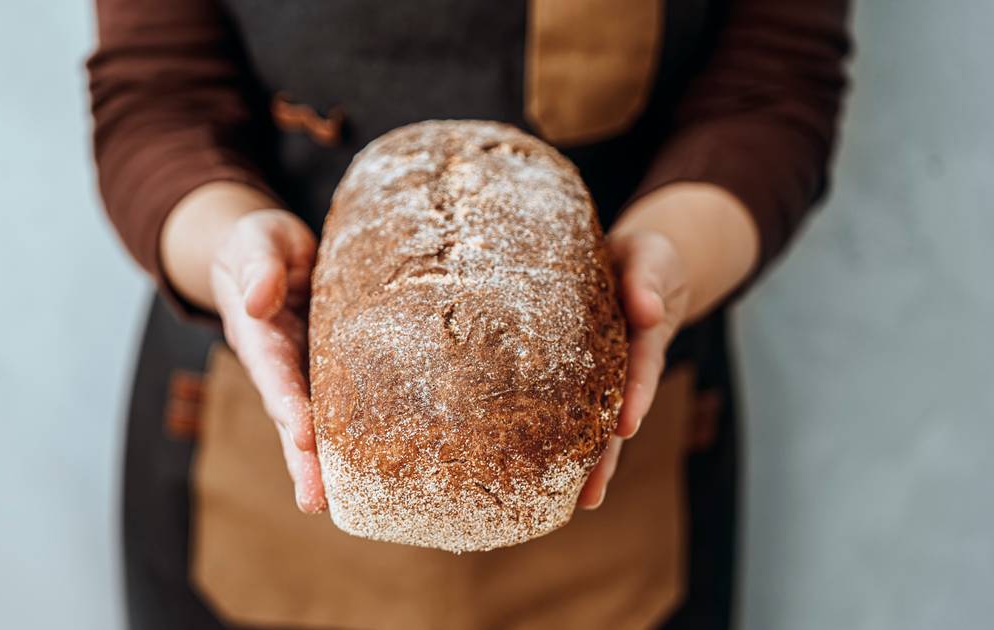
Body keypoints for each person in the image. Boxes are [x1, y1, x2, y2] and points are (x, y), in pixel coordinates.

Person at [86, 1, 850, 628]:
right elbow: (157, 91)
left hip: (620, 436)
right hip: (262, 429)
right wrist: (230, 248)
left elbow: (774, 85)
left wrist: (674, 254)